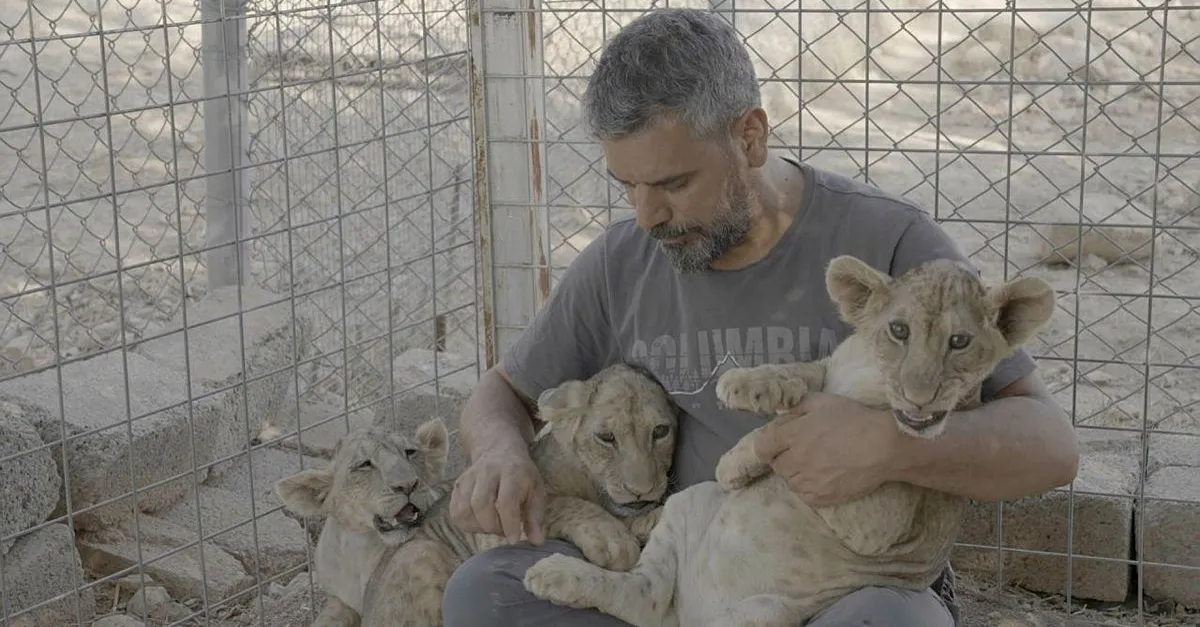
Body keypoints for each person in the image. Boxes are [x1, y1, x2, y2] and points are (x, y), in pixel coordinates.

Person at [441, 7, 1079, 626]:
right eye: (626, 186)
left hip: (835, 583)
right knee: (483, 595)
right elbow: (502, 393)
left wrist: (885, 445)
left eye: (673, 183)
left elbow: (1049, 448)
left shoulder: (886, 244)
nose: (646, 216)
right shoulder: (624, 259)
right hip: (673, 564)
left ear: (749, 136)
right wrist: (500, 451)